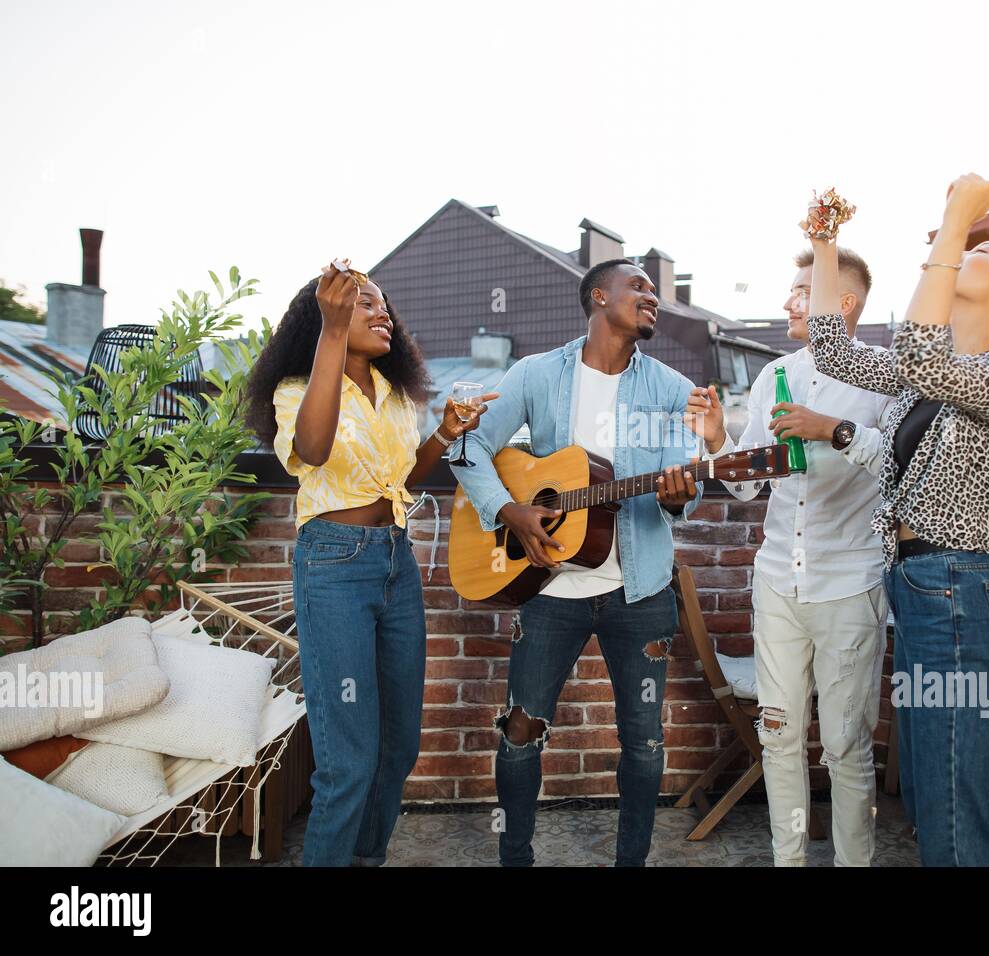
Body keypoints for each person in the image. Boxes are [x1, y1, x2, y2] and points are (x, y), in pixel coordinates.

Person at [804, 145, 989, 866]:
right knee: (935, 805)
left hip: (965, 594)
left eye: (987, 250)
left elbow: (921, 352)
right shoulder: (938, 378)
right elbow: (834, 352)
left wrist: (957, 218)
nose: (968, 251)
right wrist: (825, 245)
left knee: (957, 819)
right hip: (925, 591)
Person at [453, 258, 703, 867]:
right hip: (549, 591)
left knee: (643, 744)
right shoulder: (537, 374)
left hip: (639, 591)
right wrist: (506, 509)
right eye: (639, 286)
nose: (652, 297)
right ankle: (515, 856)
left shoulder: (670, 387)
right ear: (598, 297)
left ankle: (631, 862)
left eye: (654, 289)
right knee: (519, 734)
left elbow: (687, 484)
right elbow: (467, 445)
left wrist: (680, 493)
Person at [245, 261, 496, 866]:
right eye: (364, 304)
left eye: (386, 305)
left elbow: (402, 480)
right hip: (334, 567)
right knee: (348, 760)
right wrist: (333, 334)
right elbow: (312, 449)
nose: (383, 313)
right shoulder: (294, 390)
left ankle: (364, 860)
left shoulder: (393, 395)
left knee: (398, 748)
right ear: (326, 316)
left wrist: (443, 434)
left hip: (395, 563)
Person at [685, 246, 893, 866]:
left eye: (803, 291)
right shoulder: (774, 373)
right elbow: (749, 484)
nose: (787, 302)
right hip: (777, 582)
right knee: (778, 738)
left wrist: (828, 427)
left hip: (849, 582)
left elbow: (897, 468)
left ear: (843, 302)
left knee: (846, 744)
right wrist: (720, 440)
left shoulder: (883, 376)